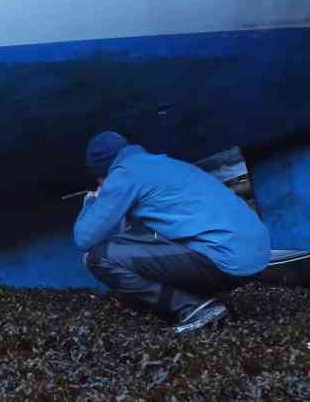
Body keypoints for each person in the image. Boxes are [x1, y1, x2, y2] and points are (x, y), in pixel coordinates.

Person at [73, 131, 270, 334]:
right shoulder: (164, 164)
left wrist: (92, 201)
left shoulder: (122, 175)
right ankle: (194, 298)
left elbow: (84, 239)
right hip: (257, 256)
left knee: (97, 258)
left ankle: (193, 308)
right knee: (145, 238)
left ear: (102, 173)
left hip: (225, 259)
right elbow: (154, 234)